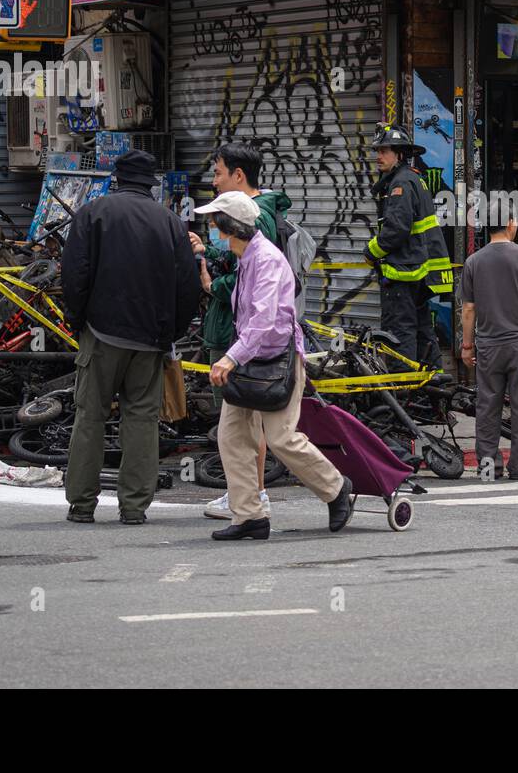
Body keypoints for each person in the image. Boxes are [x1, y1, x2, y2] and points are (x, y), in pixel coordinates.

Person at [199, 191, 354, 540]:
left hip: (276, 362)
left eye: (214, 222)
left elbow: (264, 319)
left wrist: (230, 357)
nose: (211, 228)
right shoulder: (245, 258)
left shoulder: (266, 259)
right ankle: (249, 515)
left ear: (229, 228)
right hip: (250, 360)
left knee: (281, 437)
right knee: (232, 436)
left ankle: (335, 488)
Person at [61, 150, 201, 525]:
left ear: (117, 179)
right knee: (141, 420)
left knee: (90, 416)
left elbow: (73, 274)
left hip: (101, 334)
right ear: (150, 185)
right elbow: (188, 286)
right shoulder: (170, 222)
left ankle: (82, 505)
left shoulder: (93, 213)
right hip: (150, 340)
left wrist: (77, 322)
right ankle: (135, 507)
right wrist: (171, 332)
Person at [187, 142, 291, 521]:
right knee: (240, 423)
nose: (214, 183)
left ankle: (253, 494)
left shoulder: (255, 217)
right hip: (237, 332)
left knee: (250, 425)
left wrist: (212, 285)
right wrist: (208, 254)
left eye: (218, 174)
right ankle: (246, 494)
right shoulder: (245, 217)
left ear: (238, 176)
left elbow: (252, 282)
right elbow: (234, 263)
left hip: (242, 337)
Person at [460, 206, 518, 480]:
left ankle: (489, 468)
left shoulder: (473, 262)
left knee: (487, 407)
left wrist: (467, 346)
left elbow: (468, 310)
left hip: (488, 346)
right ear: (511, 224)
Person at [366, 123, 453, 368]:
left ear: (400, 154)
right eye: (377, 151)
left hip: (403, 276)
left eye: (384, 151)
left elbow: (396, 229)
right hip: (418, 276)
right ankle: (433, 388)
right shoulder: (414, 179)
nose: (378, 156)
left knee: (399, 336)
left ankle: (404, 395)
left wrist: (370, 251)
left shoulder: (400, 184)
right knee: (423, 332)